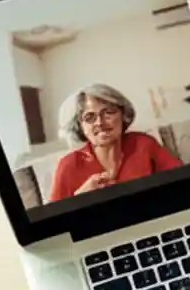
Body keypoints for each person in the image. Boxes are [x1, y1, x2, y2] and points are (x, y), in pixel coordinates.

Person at [49, 84, 182, 203]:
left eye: (108, 112)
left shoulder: (143, 144)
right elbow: (52, 225)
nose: (100, 122)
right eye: (89, 117)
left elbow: (181, 181)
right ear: (80, 127)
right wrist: (80, 199)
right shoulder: (68, 166)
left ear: (123, 115)